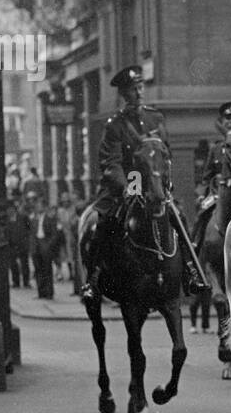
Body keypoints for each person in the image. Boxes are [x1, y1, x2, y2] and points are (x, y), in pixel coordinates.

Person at [80, 64, 209, 304]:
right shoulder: (115, 125)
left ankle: (191, 272)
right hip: (126, 189)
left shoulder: (155, 118)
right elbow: (111, 163)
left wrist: (165, 182)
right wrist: (129, 187)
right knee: (102, 223)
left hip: (155, 186)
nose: (139, 93)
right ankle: (93, 278)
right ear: (124, 94)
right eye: (133, 90)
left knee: (179, 219)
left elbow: (165, 154)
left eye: (140, 87)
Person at [30, 194, 60, 300]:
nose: (38, 208)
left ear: (44, 207)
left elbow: (54, 234)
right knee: (38, 269)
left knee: (47, 269)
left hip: (45, 244)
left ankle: (49, 293)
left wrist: (48, 245)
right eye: (37, 206)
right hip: (36, 245)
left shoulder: (49, 218)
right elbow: (32, 234)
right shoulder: (34, 219)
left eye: (40, 205)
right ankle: (41, 292)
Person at [7, 192, 31, 289]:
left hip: (22, 244)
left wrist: (26, 240)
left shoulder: (23, 217)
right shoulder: (6, 220)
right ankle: (16, 282)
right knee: (13, 264)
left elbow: (29, 228)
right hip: (12, 245)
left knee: (24, 263)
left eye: (11, 209)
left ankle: (26, 281)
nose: (9, 211)